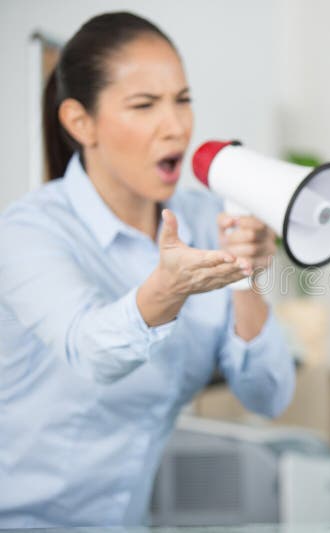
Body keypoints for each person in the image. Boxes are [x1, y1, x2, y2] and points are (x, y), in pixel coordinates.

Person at [0, 12, 295, 527]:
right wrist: (166, 290)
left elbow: (268, 396)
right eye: (144, 105)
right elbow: (90, 350)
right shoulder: (29, 233)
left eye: (182, 100)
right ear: (79, 122)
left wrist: (248, 278)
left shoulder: (207, 217)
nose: (176, 125)